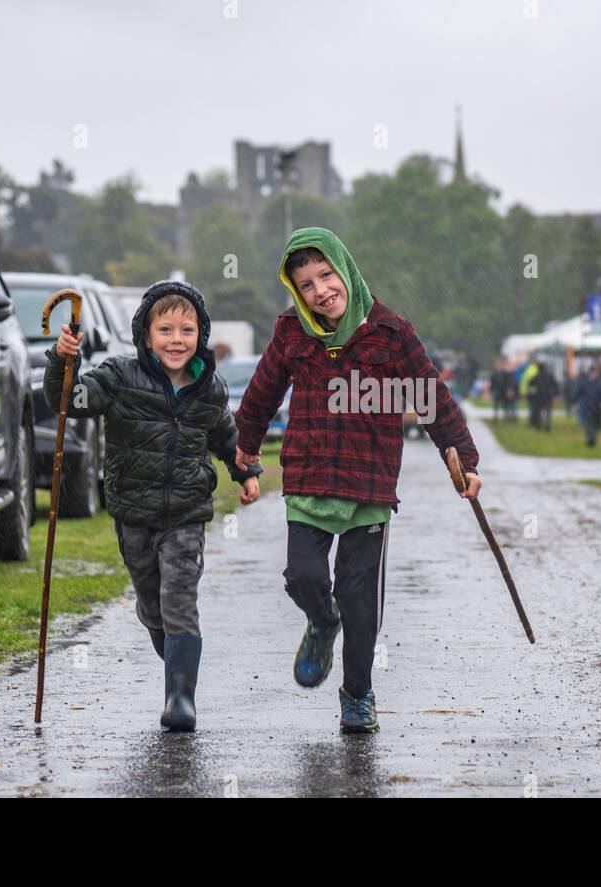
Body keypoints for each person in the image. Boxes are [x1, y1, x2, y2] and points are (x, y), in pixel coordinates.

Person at [233, 227, 481, 734]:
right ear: (295, 291)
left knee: (358, 596)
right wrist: (246, 451)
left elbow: (432, 399)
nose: (320, 290)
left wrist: (464, 459)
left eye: (326, 275)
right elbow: (261, 395)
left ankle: (357, 694)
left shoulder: (391, 333)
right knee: (304, 577)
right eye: (305, 284)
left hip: (368, 486)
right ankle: (322, 623)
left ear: (344, 268)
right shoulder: (290, 333)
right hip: (307, 479)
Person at [48, 281, 262, 732]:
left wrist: (245, 472)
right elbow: (67, 400)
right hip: (133, 512)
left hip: (186, 512)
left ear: (200, 336)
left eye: (187, 330)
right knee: (152, 605)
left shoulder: (209, 387)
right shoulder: (120, 376)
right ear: (146, 336)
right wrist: (63, 361)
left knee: (178, 598)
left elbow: (225, 434)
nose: (176, 339)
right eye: (165, 329)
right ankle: (173, 660)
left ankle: (180, 699)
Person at [574, 362, 601, 447]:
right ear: (591, 373)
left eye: (597, 373)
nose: (595, 374)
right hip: (588, 406)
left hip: (597, 407)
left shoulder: (600, 383)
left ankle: (593, 439)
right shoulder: (585, 383)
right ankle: (590, 440)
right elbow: (578, 393)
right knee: (589, 424)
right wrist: (575, 403)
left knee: (596, 425)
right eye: (594, 372)